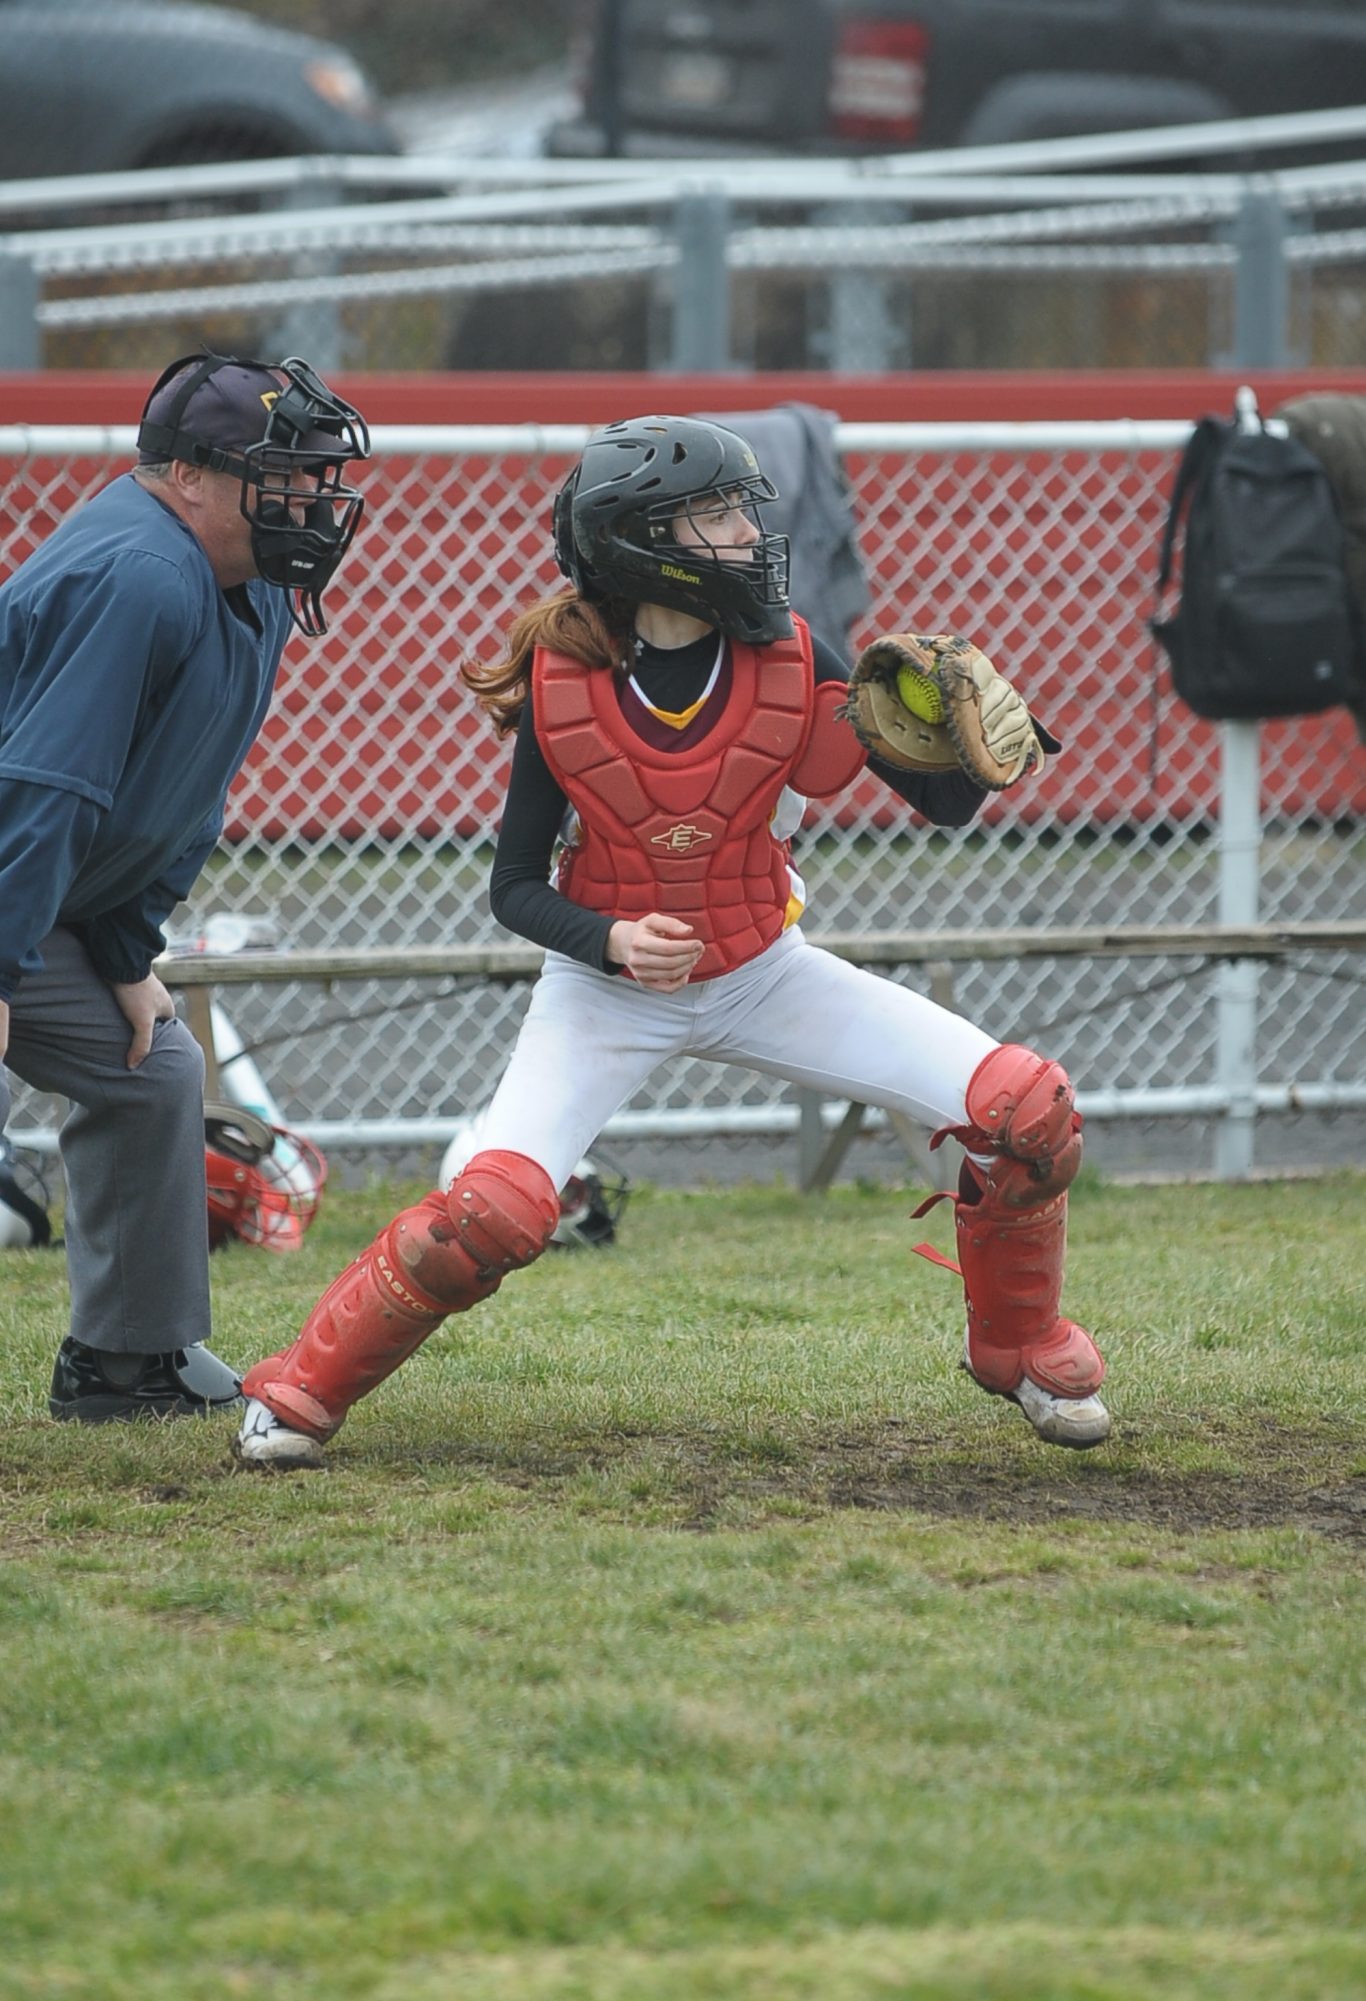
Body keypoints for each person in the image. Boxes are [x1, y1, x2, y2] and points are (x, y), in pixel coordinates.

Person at [236, 414, 1110, 1469]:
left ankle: (1017, 1347)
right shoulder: (563, 677)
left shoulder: (789, 652)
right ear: (640, 540)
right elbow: (512, 889)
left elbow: (942, 803)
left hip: (762, 971)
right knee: (490, 1213)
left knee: (1031, 1113)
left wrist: (972, 748)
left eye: (741, 507)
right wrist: (605, 939)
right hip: (603, 993)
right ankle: (298, 1391)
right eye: (715, 513)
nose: (746, 529)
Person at [0, 350, 369, 1422]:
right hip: (12, 868)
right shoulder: (141, 572)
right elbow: (44, 787)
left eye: (311, 475)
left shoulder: (241, 582)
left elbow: (168, 802)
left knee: (153, 1067)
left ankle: (124, 1361)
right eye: (283, 473)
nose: (308, 499)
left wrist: (123, 955)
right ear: (191, 476)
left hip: (34, 882)